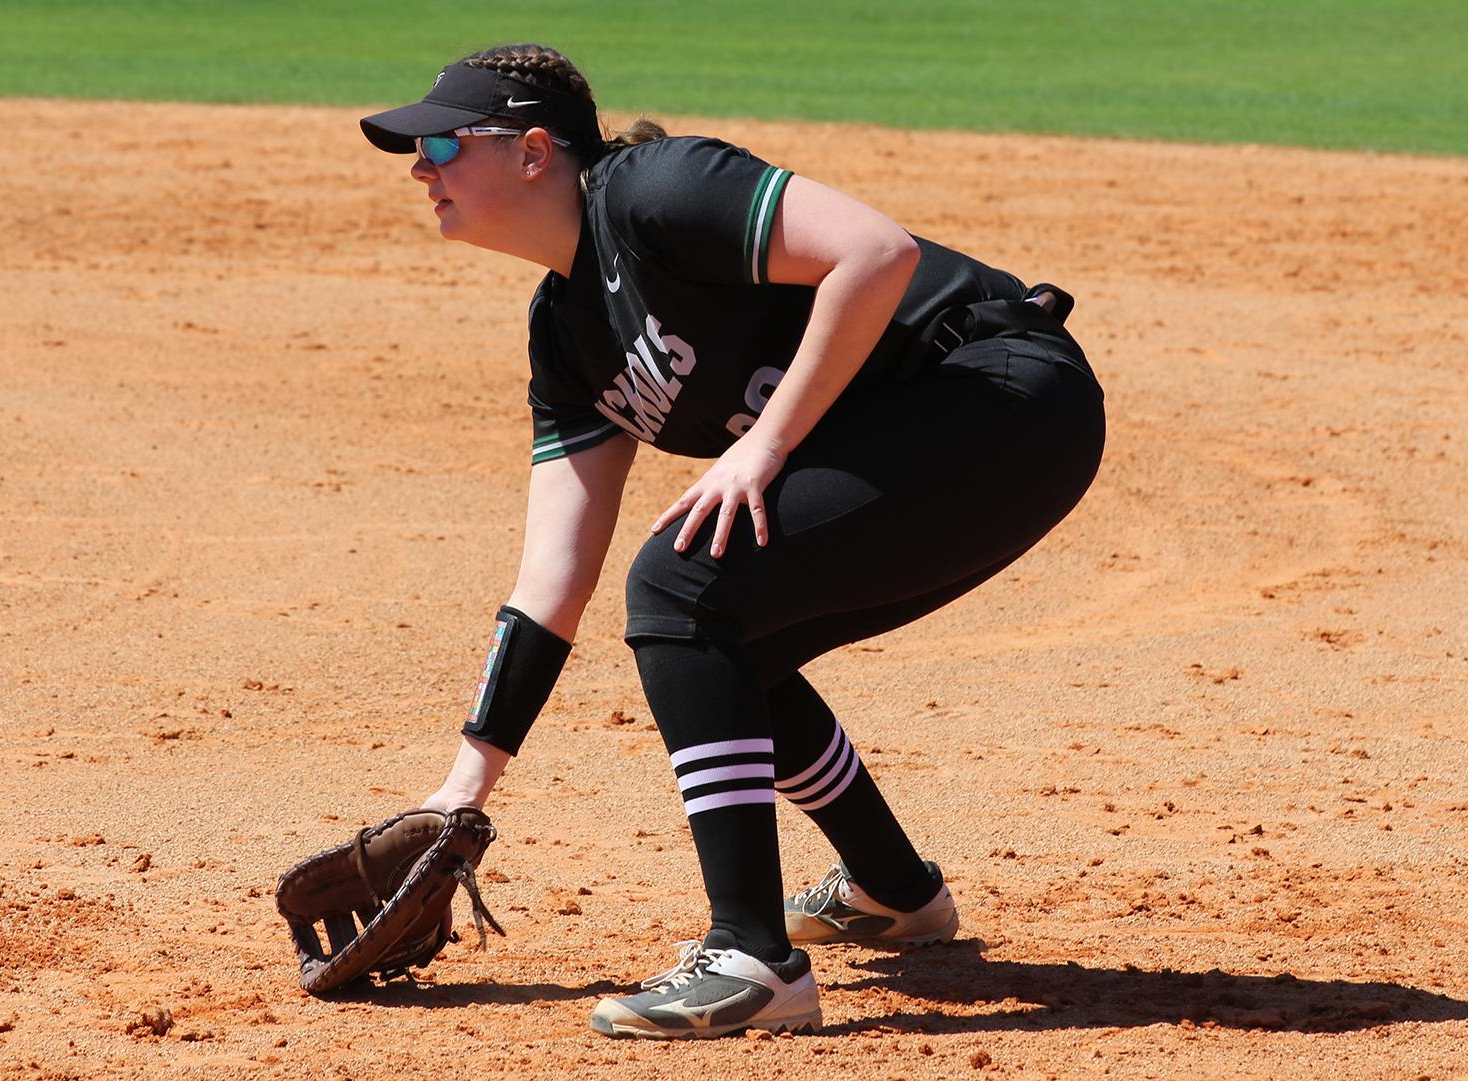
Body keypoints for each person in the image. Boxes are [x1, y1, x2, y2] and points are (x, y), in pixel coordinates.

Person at [358, 43, 1105, 1039]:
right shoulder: (568, 337)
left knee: (682, 586)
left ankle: (752, 955)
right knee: (730, 635)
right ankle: (894, 889)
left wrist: (766, 446)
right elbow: (551, 580)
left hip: (1005, 394)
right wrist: (466, 785)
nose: (421, 167)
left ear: (534, 151)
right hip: (951, 445)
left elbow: (877, 252)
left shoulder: (656, 192)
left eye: (443, 143)